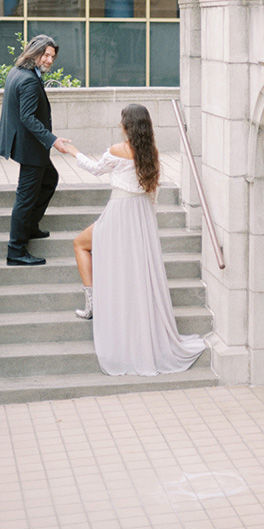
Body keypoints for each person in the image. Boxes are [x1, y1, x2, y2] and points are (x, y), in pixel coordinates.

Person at [66, 104, 207, 377]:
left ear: (126, 125)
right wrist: (147, 224)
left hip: (119, 212)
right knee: (133, 269)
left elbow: (95, 169)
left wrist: (72, 151)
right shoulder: (151, 153)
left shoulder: (118, 149)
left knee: (80, 244)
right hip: (141, 214)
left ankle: (92, 303)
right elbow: (152, 193)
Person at [0, 34, 71, 266]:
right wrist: (53, 140)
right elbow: (27, 117)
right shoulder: (28, 79)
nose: (49, 60)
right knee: (25, 199)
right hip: (31, 148)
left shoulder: (17, 72)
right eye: (46, 55)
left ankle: (30, 226)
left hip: (25, 145)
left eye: (52, 56)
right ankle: (16, 250)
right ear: (35, 53)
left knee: (50, 179)